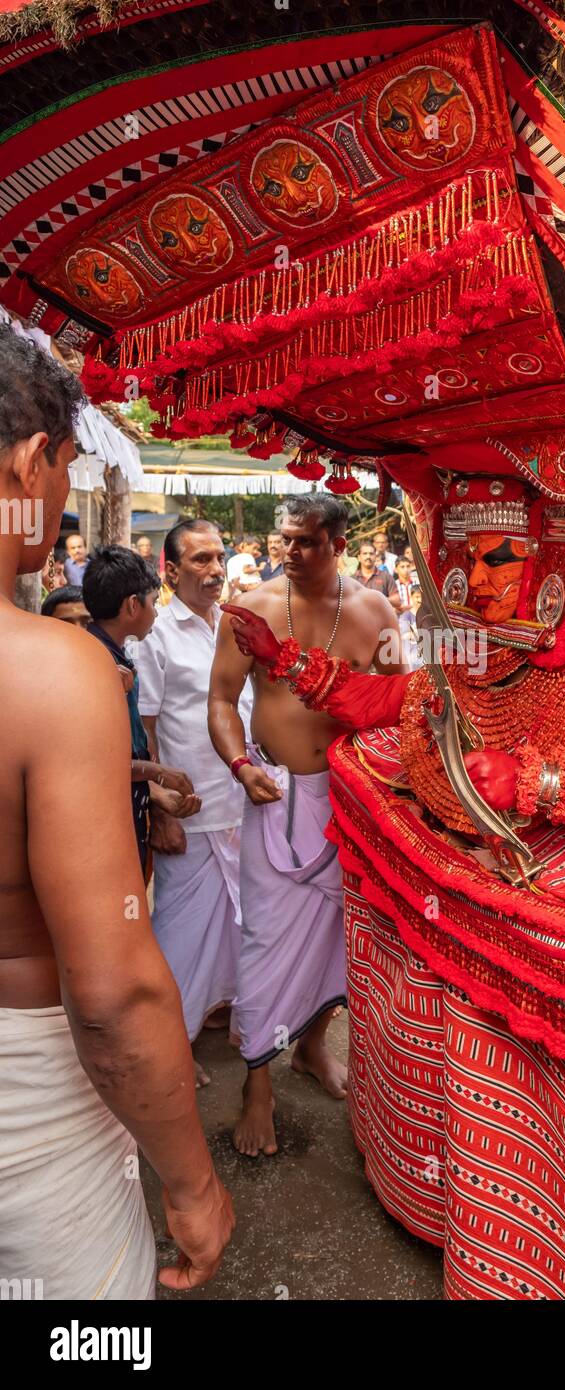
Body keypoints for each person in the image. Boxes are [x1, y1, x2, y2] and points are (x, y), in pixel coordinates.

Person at [0, 323, 233, 1298]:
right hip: (28, 1104)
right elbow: (112, 995)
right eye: (61, 471)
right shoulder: (52, 673)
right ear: (28, 461)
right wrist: (192, 1181)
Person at [209, 493, 405, 1157]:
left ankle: (313, 1048)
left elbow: (403, 705)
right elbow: (220, 700)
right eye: (283, 539)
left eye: (305, 542)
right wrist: (239, 764)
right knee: (265, 940)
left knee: (338, 941)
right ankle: (256, 1087)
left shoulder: (377, 611)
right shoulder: (254, 609)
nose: (288, 552)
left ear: (338, 544)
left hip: (351, 801)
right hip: (273, 795)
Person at [137, 519, 252, 1068]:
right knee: (181, 934)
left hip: (241, 801)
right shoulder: (157, 635)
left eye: (219, 558)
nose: (214, 570)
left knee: (236, 922)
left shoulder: (233, 625)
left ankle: (217, 1008)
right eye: (200, 560)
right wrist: (159, 806)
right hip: (191, 809)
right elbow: (147, 726)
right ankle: (164, 1046)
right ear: (172, 570)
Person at [83, 545, 201, 871]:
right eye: (154, 602)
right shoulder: (95, 665)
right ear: (133, 605)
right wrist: (159, 771)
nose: (158, 612)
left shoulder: (112, 654)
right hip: (104, 817)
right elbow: (97, 761)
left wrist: (155, 793)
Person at [356, 540, 401, 612]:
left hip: (381, 620)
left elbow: (397, 601)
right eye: (365, 553)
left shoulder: (386, 576)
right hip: (359, 619)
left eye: (371, 554)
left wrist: (379, 599)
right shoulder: (353, 579)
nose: (368, 556)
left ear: (375, 556)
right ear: (359, 557)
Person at [398, 584, 424, 670]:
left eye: (421, 597)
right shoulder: (406, 616)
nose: (420, 600)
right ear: (411, 597)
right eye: (417, 597)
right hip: (410, 657)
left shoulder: (427, 615)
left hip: (424, 655)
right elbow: (404, 635)